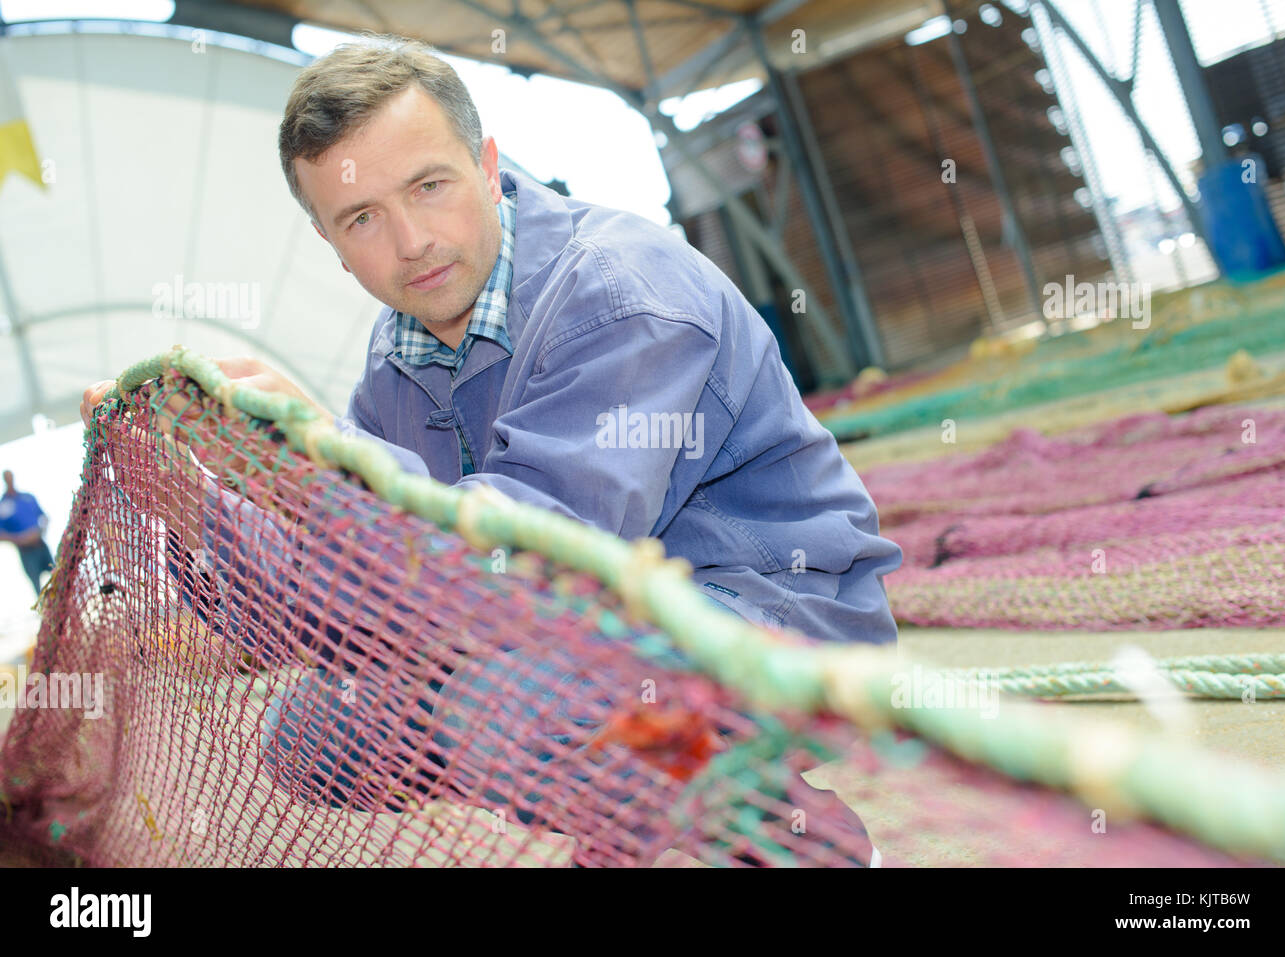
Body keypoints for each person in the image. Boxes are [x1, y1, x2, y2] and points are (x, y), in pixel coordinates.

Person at [80, 36, 899, 865]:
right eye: (363, 218)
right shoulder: (395, 359)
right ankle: (636, 807)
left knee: (504, 707)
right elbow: (363, 590)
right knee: (318, 735)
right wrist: (200, 502)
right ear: (331, 245)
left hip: (772, 607)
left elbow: (529, 559)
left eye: (429, 186)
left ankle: (794, 844)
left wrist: (325, 458)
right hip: (582, 619)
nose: (411, 242)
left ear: (486, 162)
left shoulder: (620, 292)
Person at [0, 470, 55, 601]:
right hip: (26, 552)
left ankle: (65, 603)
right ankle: (46, 612)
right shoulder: (3, 505)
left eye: (11, 477)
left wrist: (40, 531)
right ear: (4, 480)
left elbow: (44, 517)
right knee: (37, 587)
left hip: (41, 545)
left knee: (57, 576)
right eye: (7, 478)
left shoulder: (28, 497)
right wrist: (19, 539)